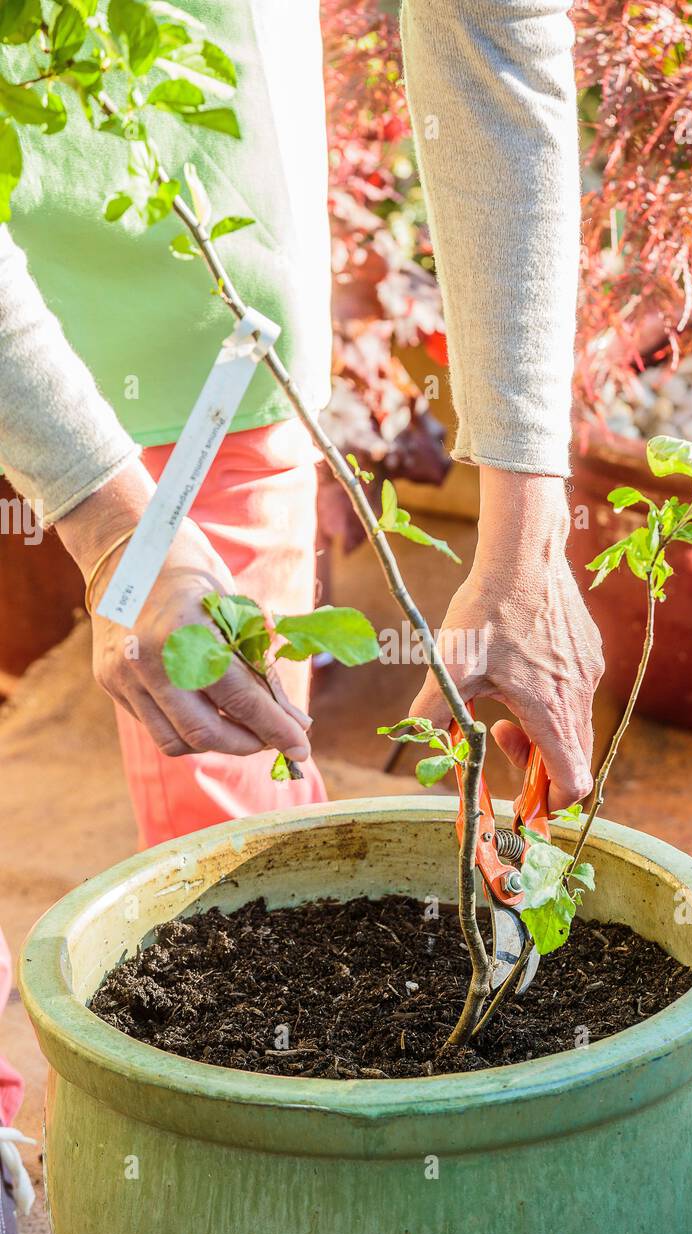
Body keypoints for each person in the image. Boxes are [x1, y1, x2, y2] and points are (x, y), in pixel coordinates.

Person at [0, 0, 603, 847]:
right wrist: (110, 526)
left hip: (200, 319)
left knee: (235, 814)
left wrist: (526, 552)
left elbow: (496, 29)